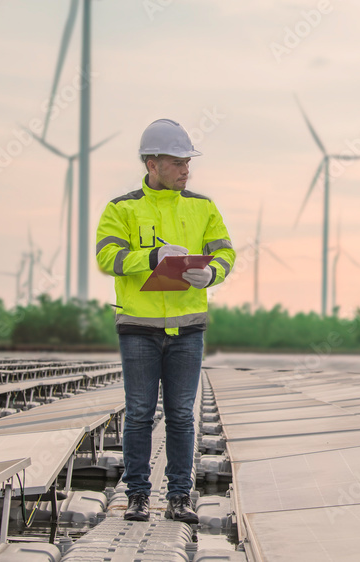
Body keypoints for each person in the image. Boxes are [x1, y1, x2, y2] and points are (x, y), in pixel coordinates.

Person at [95, 118, 236, 523]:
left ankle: (178, 496)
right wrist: (151, 258)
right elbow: (109, 258)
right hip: (139, 329)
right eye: (177, 163)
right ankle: (137, 495)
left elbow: (226, 252)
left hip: (187, 329)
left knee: (181, 415)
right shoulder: (121, 209)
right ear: (151, 164)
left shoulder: (203, 208)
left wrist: (213, 273)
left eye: (187, 163)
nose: (185, 170)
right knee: (138, 413)